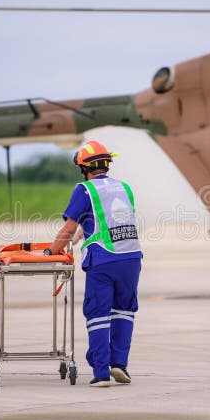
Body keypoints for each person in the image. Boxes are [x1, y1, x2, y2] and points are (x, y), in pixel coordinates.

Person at [45, 140, 142, 387]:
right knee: (124, 311)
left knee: (98, 314)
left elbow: (69, 226)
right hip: (131, 258)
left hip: (103, 258)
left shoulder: (85, 189)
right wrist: (78, 238)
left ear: (83, 168)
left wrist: (52, 251)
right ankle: (119, 365)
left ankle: (101, 372)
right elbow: (100, 221)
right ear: (107, 164)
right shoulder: (124, 188)